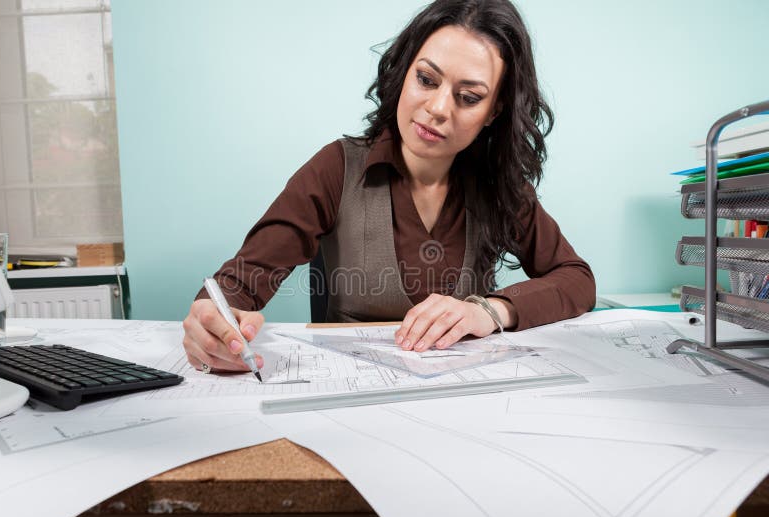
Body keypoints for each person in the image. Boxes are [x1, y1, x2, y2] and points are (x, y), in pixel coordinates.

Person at [182, 0, 595, 374]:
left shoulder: (499, 186)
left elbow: (577, 278)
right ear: (404, 72)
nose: (438, 108)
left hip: (467, 399)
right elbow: (240, 283)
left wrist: (490, 311)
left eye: (468, 97)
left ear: (493, 111)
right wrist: (213, 322)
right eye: (426, 79)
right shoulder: (337, 168)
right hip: (349, 398)